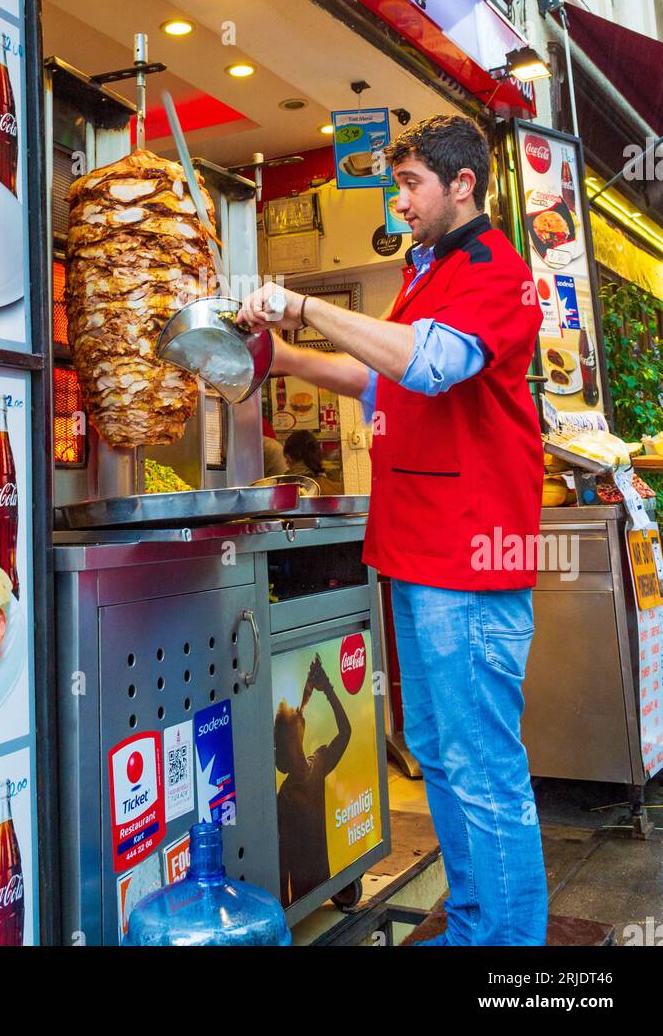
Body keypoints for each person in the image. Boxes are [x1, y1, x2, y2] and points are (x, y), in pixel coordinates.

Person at [238, 113, 547, 947]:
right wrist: (288, 356)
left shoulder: (494, 270)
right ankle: (476, 927)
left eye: (410, 184)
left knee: (484, 772)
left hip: (470, 558)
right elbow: (383, 383)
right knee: (443, 758)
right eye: (397, 181)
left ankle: (511, 955)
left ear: (463, 185)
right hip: (417, 552)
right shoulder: (426, 270)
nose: (398, 199)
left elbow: (431, 364)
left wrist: (300, 303)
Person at [274, 654, 351, 907]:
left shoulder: (313, 764)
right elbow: (282, 863)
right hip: (304, 895)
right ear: (291, 738)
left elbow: (344, 731)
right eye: (295, 714)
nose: (299, 710)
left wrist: (323, 688)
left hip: (313, 889)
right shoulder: (293, 787)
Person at [283, 429, 342, 495]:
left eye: (286, 458)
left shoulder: (283, 487)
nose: (286, 462)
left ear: (289, 458)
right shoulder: (338, 487)